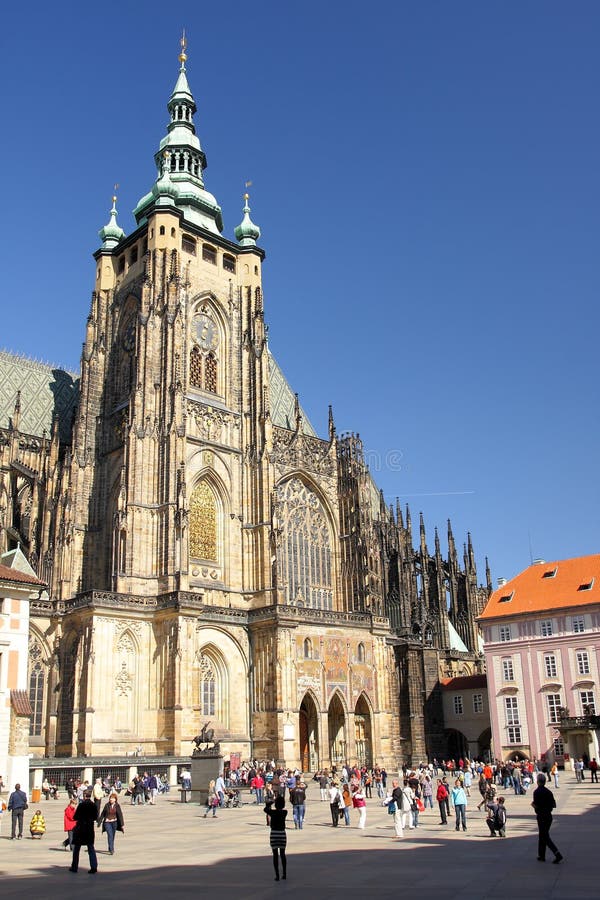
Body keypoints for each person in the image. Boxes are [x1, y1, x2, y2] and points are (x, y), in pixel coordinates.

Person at [531, 774, 563, 864]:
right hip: (548, 816)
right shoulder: (548, 792)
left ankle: (557, 854)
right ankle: (541, 855)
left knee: (544, 836)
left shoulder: (536, 792)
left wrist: (535, 806)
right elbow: (554, 805)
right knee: (542, 835)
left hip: (541, 816)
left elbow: (536, 805)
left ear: (538, 781)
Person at [70, 789, 99, 874]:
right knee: (91, 848)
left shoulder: (81, 805)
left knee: (76, 849)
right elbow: (95, 817)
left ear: (84, 795)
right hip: (89, 829)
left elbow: (75, 817)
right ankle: (94, 867)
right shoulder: (93, 805)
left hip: (81, 829)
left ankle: (74, 867)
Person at [264, 794, 287, 881]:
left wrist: (271, 802)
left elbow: (265, 809)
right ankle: (284, 873)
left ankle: (277, 875)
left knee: (275, 855)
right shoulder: (284, 812)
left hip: (274, 833)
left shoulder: (272, 812)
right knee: (282, 854)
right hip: (282, 833)